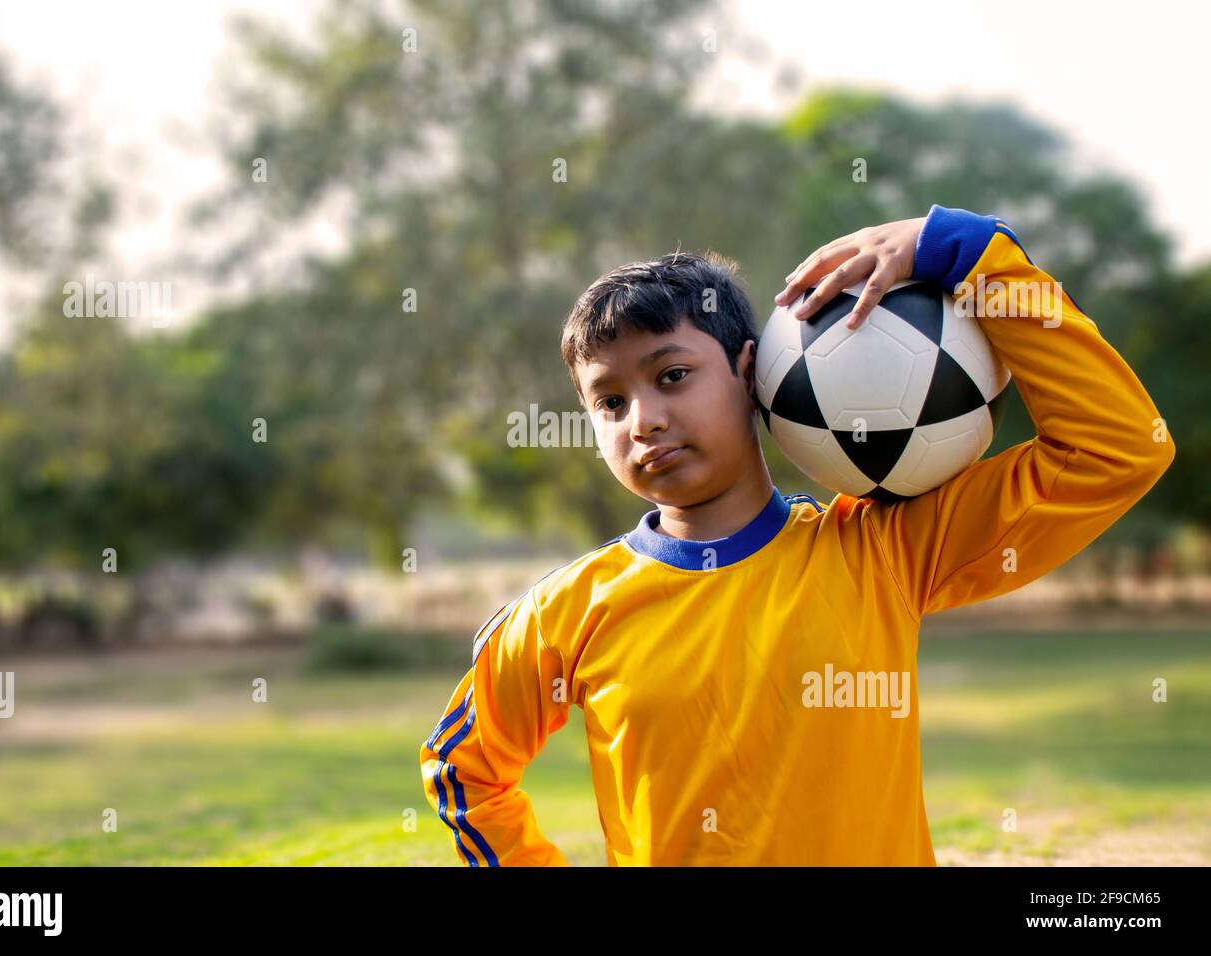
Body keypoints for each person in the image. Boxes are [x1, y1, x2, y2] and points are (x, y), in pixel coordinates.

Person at [417, 204, 1175, 865]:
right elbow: (462, 769)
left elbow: (1119, 446)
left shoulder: (883, 551)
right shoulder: (565, 613)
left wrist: (969, 252)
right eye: (609, 402)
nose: (643, 420)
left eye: (671, 376)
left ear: (752, 372)